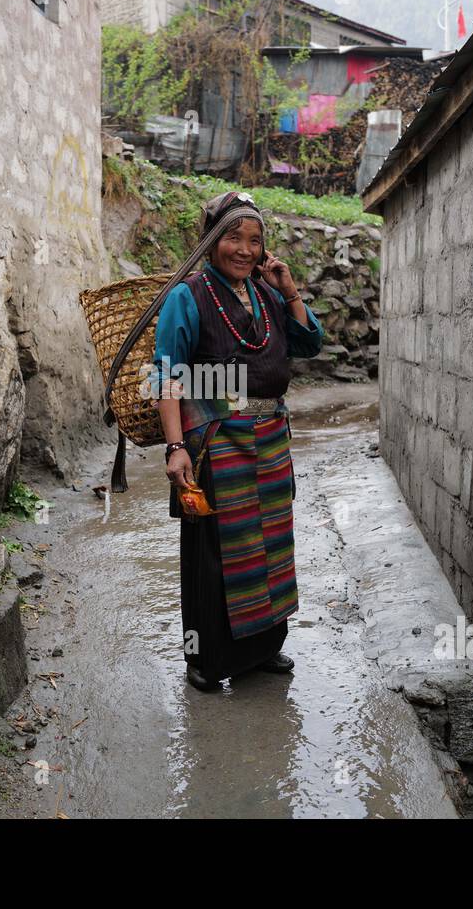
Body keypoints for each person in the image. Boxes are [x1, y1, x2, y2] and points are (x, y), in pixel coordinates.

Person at [150, 190, 325, 692]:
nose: (244, 250)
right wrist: (175, 446)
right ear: (211, 241)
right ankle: (206, 659)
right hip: (215, 441)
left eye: (254, 240)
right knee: (215, 550)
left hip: (270, 440)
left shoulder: (269, 293)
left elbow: (309, 344)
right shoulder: (189, 295)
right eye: (233, 238)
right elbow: (164, 375)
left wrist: (289, 289)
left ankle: (263, 647)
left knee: (269, 543)